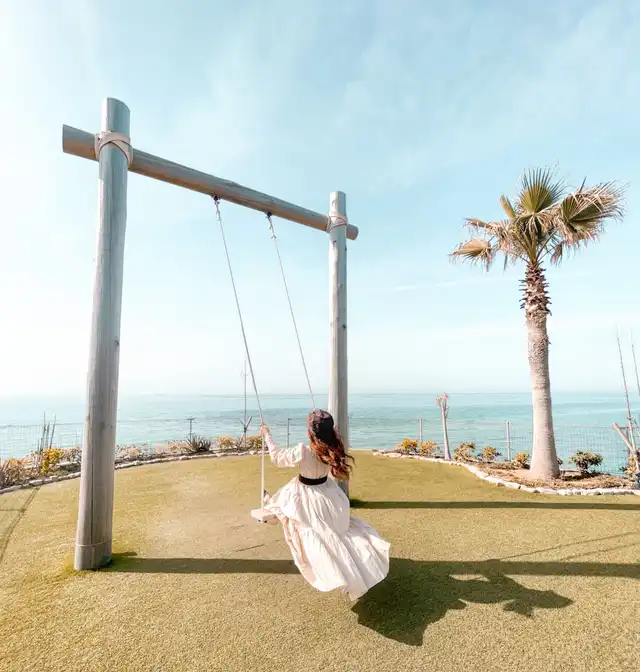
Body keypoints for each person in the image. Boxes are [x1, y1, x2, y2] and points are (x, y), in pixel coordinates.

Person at [259, 409, 390, 601]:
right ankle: (272, 505)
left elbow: (277, 458)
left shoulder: (304, 450)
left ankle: (272, 507)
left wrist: (267, 436)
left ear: (310, 431)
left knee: (302, 520)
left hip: (306, 494)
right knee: (337, 535)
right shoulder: (332, 447)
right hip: (328, 493)